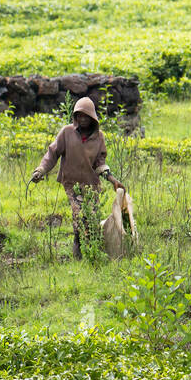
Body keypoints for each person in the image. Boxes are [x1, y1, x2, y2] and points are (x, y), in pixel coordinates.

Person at [30, 96, 123, 259]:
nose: (82, 119)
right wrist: (41, 170)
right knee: (79, 215)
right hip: (72, 183)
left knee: (92, 217)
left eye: (86, 116)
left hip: (91, 184)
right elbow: (52, 154)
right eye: (79, 115)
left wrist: (112, 180)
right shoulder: (66, 133)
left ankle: (94, 252)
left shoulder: (99, 137)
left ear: (92, 118)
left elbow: (100, 162)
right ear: (75, 117)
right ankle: (78, 249)